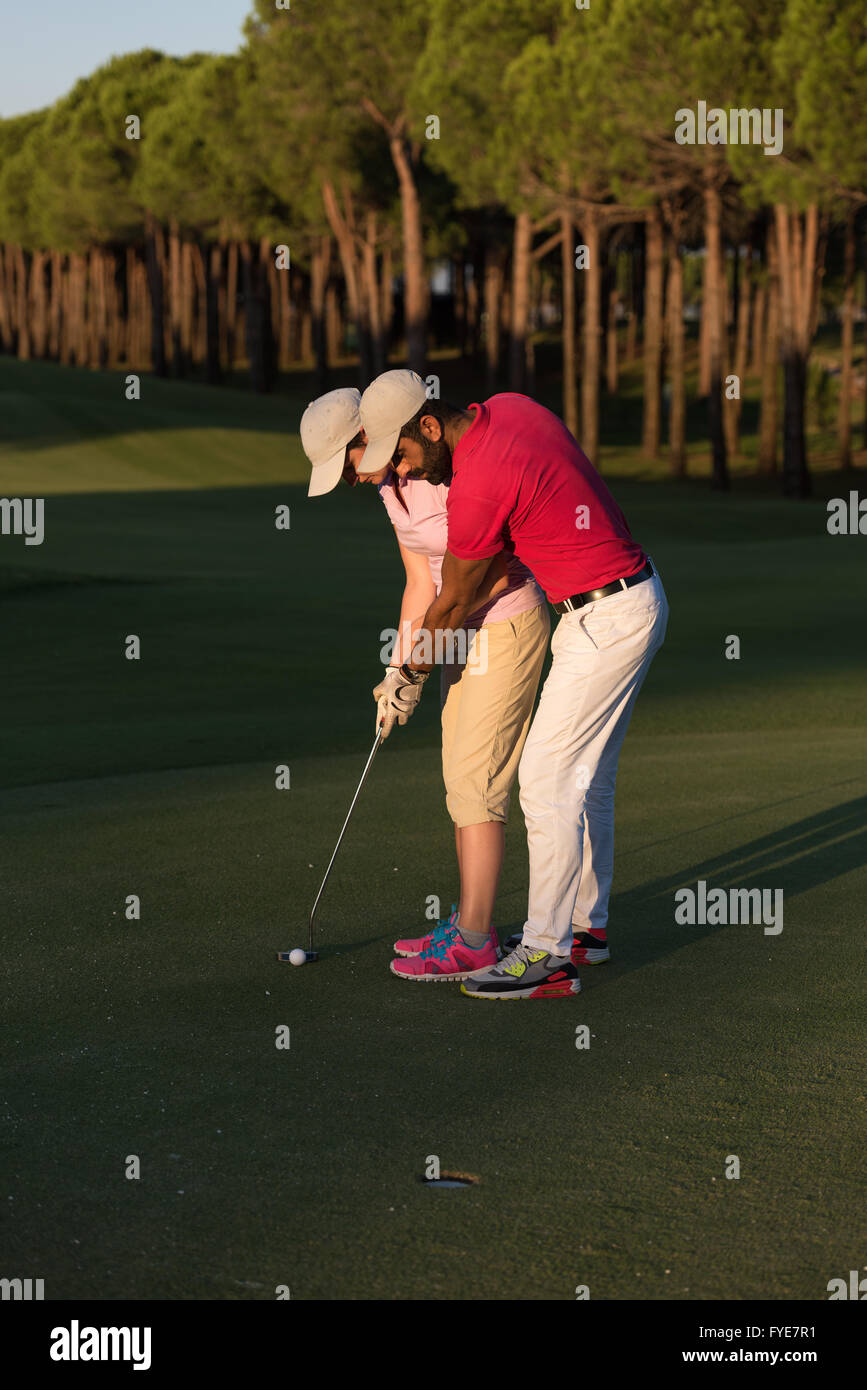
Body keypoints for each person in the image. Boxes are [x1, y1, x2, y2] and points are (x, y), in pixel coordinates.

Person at [365, 386, 669, 1000]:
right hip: (630, 597)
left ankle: (548, 954)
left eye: (401, 456)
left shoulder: (476, 486)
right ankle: (588, 928)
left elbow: (450, 603)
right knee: (588, 780)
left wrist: (407, 676)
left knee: (544, 778)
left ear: (428, 427)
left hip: (604, 619)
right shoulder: (509, 405)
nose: (401, 473)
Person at [299, 376, 549, 981]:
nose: (350, 478)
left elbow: (485, 573)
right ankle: (469, 922)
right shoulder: (392, 489)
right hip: (454, 631)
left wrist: (419, 664)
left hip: (505, 623)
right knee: (457, 779)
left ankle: (475, 941)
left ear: (368, 435)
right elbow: (421, 583)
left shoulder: (433, 471)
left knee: (478, 779)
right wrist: (396, 672)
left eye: (347, 462)